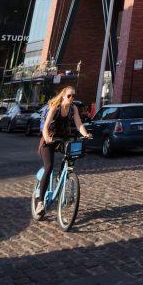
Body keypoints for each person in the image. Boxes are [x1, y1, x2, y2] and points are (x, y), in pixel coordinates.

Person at [34, 87, 91, 218]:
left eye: (73, 96)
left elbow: (79, 125)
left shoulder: (73, 108)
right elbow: (46, 125)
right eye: (70, 96)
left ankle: (63, 176)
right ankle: (40, 203)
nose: (72, 98)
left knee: (70, 156)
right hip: (49, 139)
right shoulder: (55, 107)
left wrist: (86, 134)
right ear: (63, 96)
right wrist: (47, 137)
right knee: (48, 167)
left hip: (63, 139)